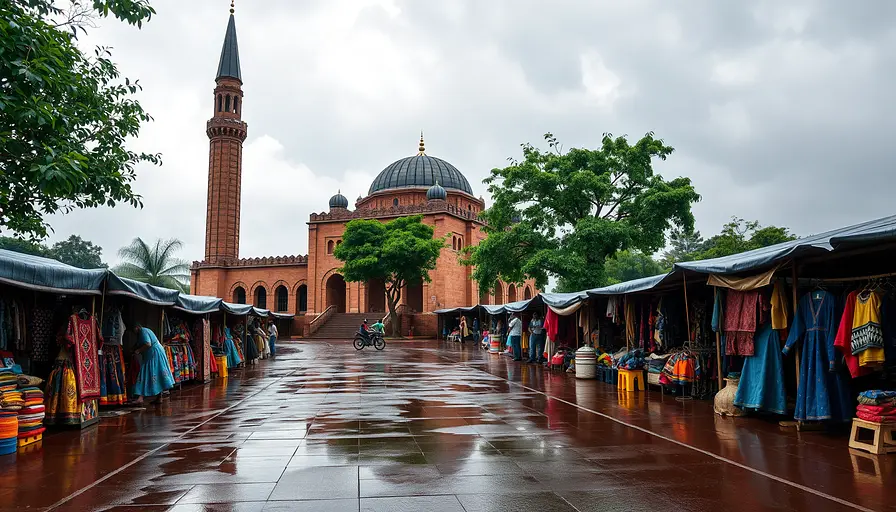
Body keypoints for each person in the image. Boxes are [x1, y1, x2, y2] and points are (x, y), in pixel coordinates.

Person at [129, 323, 175, 405]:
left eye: (134, 329)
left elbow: (147, 343)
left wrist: (138, 351)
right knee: (157, 373)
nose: (133, 332)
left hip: (154, 354)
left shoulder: (143, 331)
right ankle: (159, 398)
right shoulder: (143, 332)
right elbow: (139, 343)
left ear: (137, 327)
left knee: (145, 373)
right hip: (156, 353)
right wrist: (133, 348)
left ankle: (140, 398)